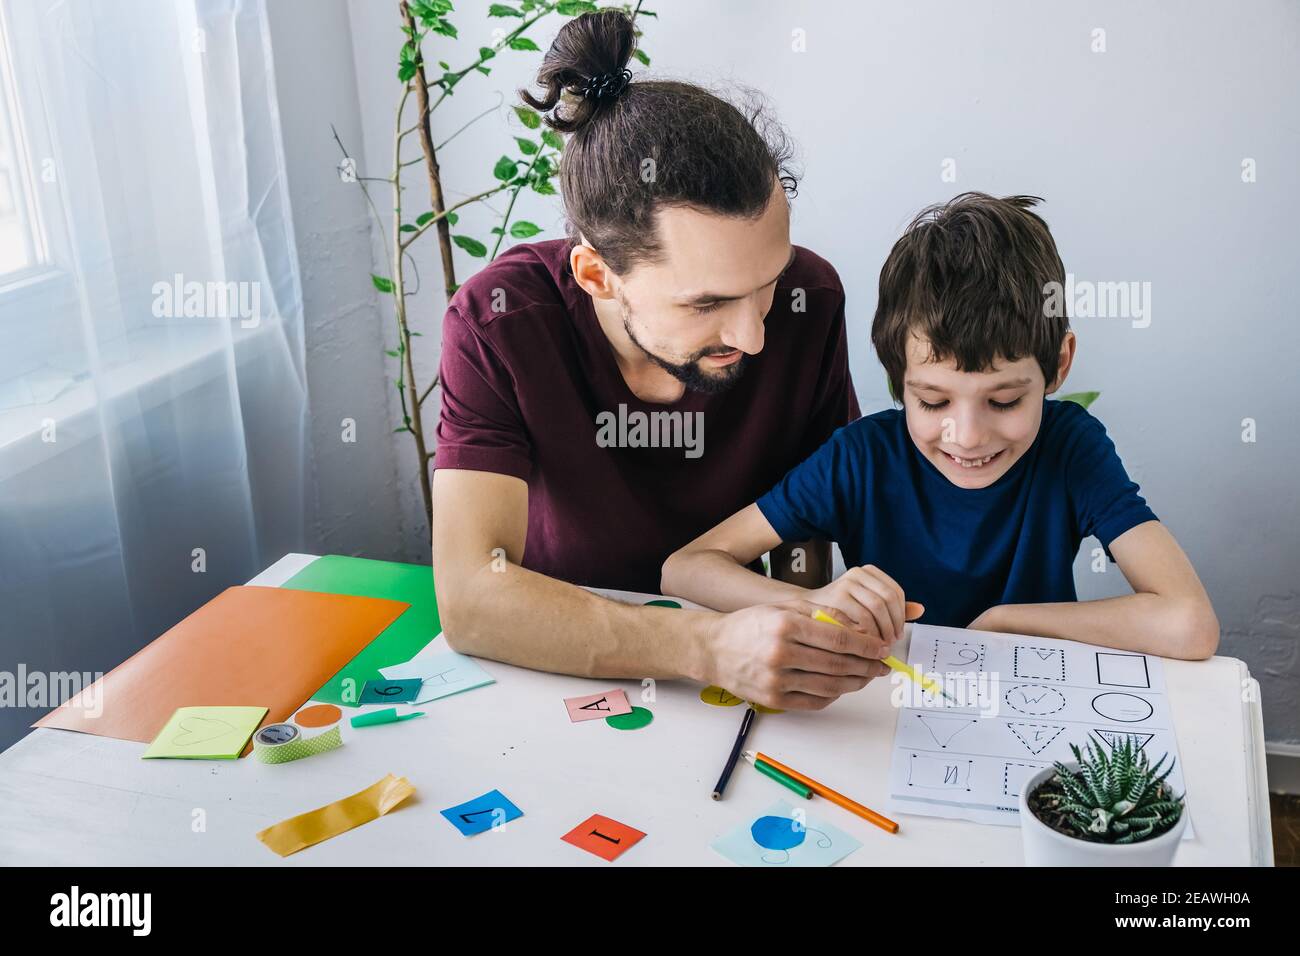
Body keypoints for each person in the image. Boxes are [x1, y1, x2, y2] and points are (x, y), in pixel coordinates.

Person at [432, 10, 893, 710]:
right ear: (596, 276)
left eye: (765, 282)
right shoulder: (499, 323)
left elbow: (810, 519)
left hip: (744, 683)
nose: (755, 335)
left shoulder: (810, 300)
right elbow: (471, 597)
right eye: (706, 303)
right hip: (560, 666)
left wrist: (805, 624)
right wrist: (704, 646)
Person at [663, 193, 1219, 660]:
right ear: (898, 379)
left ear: (1058, 366)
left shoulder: (1071, 448)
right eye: (932, 402)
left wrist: (1007, 622)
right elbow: (686, 569)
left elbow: (1189, 622)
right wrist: (818, 604)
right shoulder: (861, 459)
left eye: (1003, 401)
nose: (968, 435)